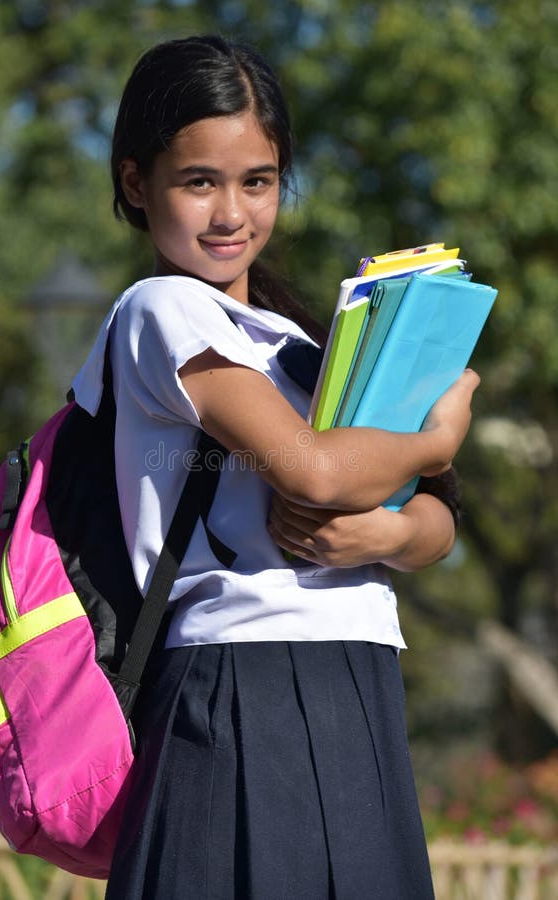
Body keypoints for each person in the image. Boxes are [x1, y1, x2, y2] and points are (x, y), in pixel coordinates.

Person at [72, 34, 479, 899]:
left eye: (256, 181)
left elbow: (436, 522)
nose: (231, 214)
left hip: (356, 677)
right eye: (198, 182)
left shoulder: (302, 341)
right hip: (235, 687)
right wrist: (438, 440)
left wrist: (393, 527)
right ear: (136, 183)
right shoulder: (161, 311)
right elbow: (317, 475)